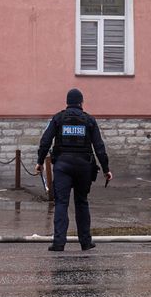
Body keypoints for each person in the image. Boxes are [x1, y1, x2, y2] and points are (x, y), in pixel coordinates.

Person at [36, 88, 110, 252]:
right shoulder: (89, 120)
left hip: (62, 166)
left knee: (61, 203)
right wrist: (106, 169)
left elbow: (45, 141)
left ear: (67, 102)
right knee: (81, 202)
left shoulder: (58, 118)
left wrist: (40, 162)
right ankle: (85, 242)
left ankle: (59, 243)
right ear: (81, 102)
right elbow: (99, 147)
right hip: (84, 167)